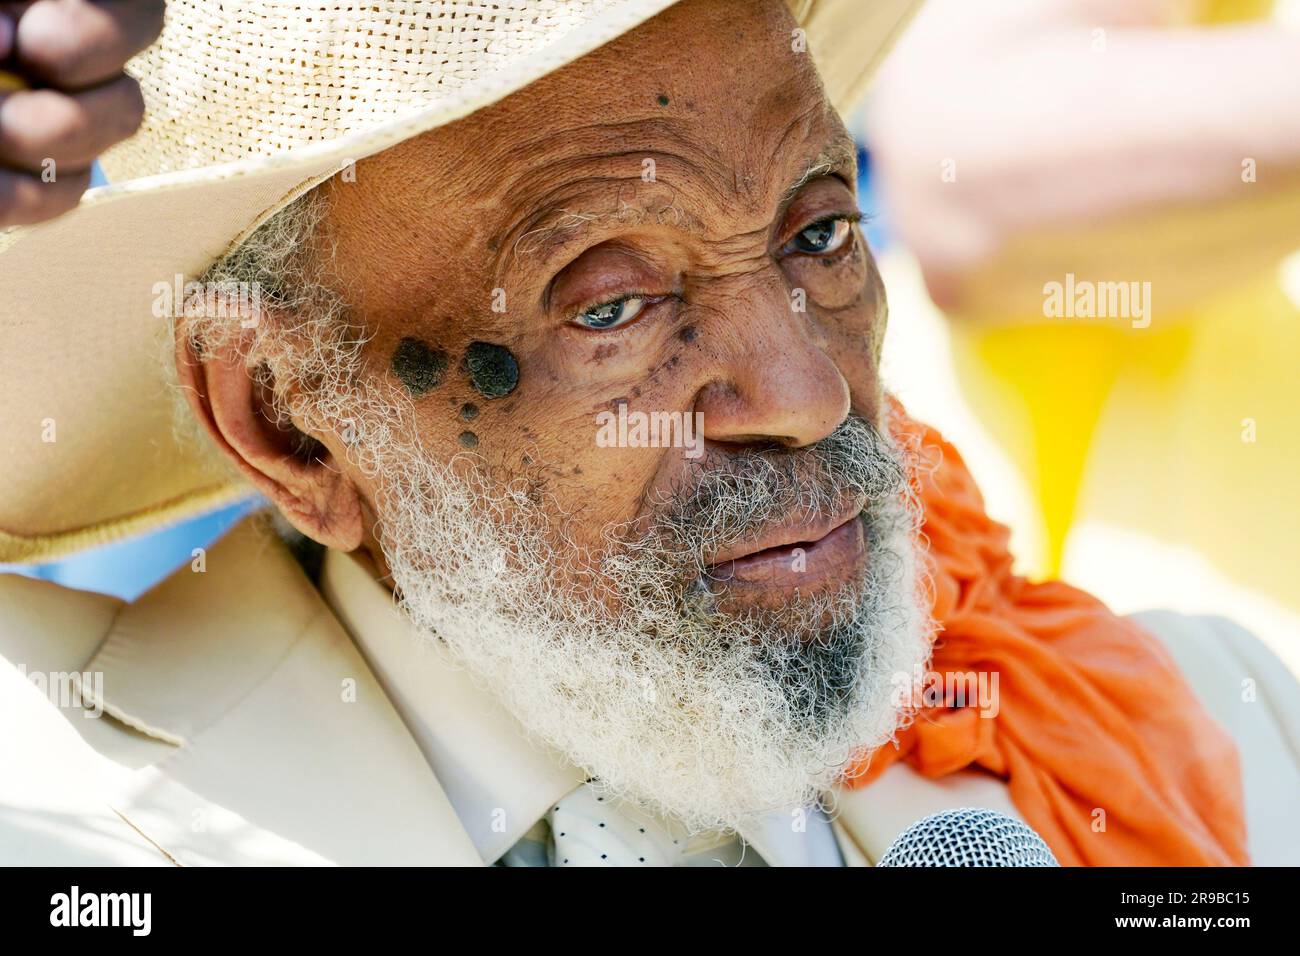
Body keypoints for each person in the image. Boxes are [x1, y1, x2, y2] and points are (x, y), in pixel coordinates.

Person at [0, 0, 1295, 867]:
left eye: (822, 233)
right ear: (284, 419)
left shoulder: (1214, 733)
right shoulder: (43, 794)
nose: (805, 393)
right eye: (614, 303)